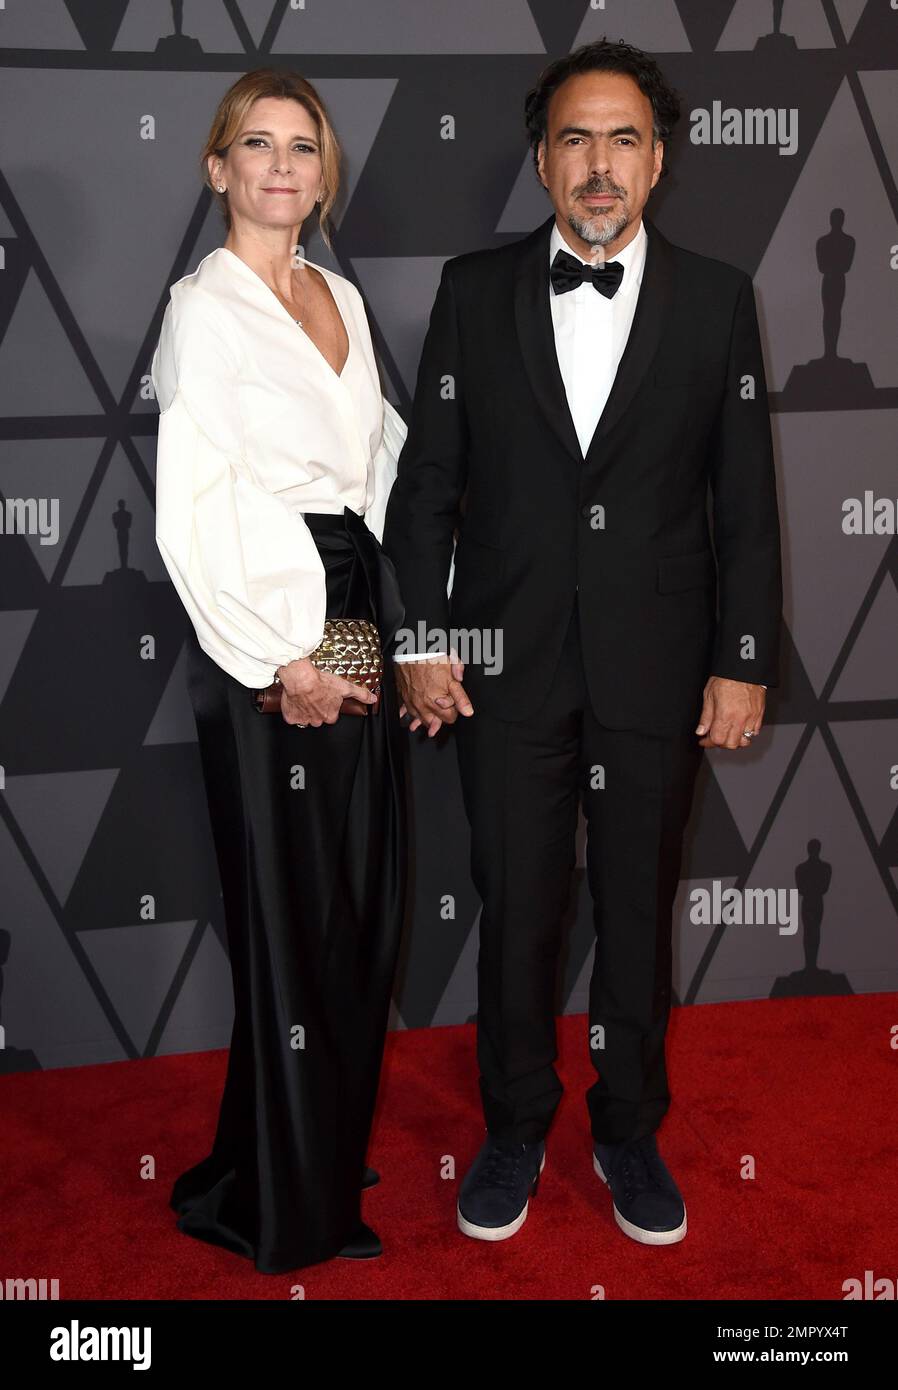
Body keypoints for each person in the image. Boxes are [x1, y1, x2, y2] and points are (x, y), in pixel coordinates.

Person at [383, 39, 782, 1246]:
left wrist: (744, 655)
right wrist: (418, 640)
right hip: (500, 670)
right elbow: (426, 489)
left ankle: (626, 1130)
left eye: (622, 139)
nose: (597, 164)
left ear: (657, 162)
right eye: (574, 138)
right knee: (515, 909)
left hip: (659, 671)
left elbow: (744, 500)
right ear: (541, 159)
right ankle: (512, 1125)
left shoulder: (718, 299)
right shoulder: (471, 290)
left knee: (635, 907)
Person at [150, 68, 408, 1274]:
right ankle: (280, 1201)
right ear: (219, 169)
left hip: (351, 591)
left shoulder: (340, 297)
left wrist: (387, 627)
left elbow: (376, 468)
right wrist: (282, 653)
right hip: (265, 618)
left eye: (301, 145)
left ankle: (301, 1145)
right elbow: (198, 502)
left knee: (350, 893)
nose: (280, 165)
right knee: (289, 909)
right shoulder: (204, 309)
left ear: (323, 170)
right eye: (256, 143)